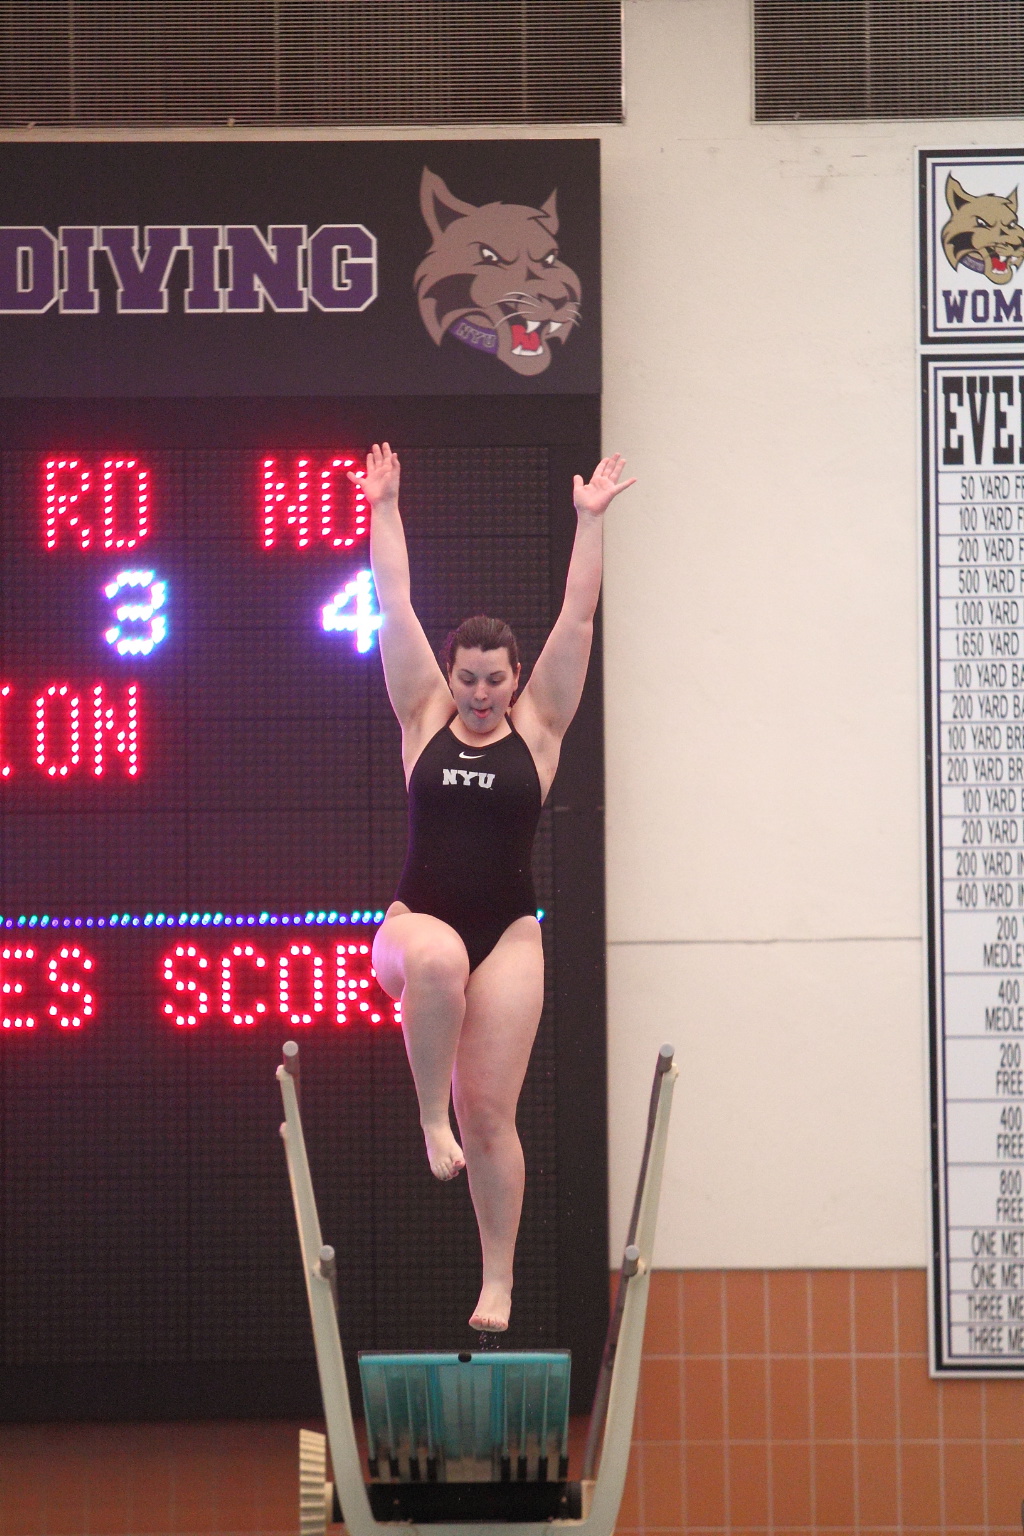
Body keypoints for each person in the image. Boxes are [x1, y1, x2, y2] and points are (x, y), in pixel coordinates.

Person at [349, 442, 635, 1333]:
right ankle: (428, 1114)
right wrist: (383, 507)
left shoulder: (539, 729)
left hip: (510, 933)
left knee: (497, 1116)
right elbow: (392, 603)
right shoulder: (422, 714)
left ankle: (499, 1281)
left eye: (493, 680)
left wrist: (590, 523)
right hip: (415, 921)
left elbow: (577, 623)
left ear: (515, 682)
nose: (477, 692)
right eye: (466, 677)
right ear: (451, 675)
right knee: (434, 961)